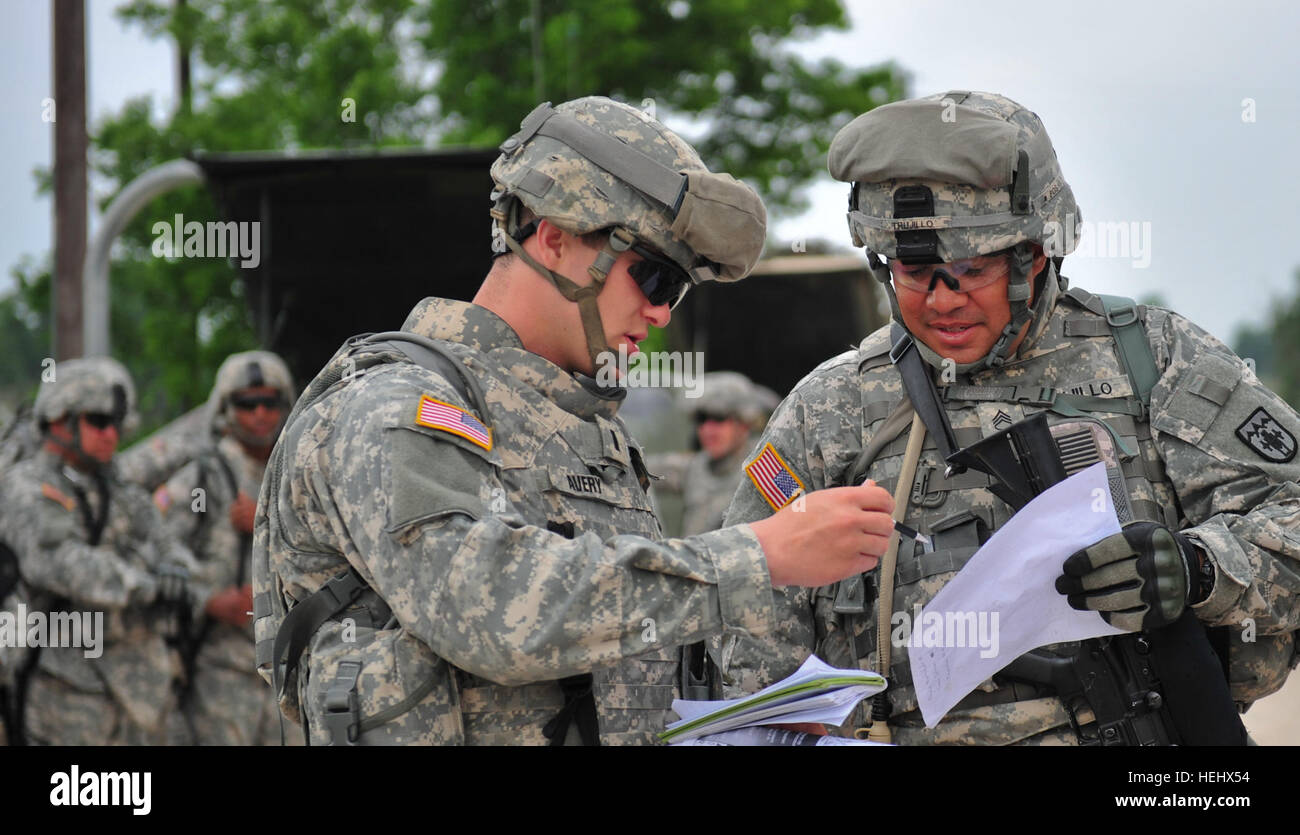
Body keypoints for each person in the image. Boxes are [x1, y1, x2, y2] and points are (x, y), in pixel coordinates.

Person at [253, 96, 897, 746]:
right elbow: (493, 608)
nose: (662, 313)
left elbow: (614, 647)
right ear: (554, 236)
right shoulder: (395, 405)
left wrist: (746, 716)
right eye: (653, 277)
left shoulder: (588, 432)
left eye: (676, 291)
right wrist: (759, 555)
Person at [720, 91, 1300, 744]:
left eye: (970, 268)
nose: (942, 298)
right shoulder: (833, 408)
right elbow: (744, 603)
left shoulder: (1156, 360)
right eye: (916, 270)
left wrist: (1197, 566)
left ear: (1036, 254)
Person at [0, 357, 201, 745]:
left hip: (135, 691)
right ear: (60, 421)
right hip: (63, 688)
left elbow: (169, 548)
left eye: (116, 424)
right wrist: (148, 586)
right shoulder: (25, 487)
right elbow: (58, 564)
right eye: (99, 421)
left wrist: (176, 572)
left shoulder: (117, 489)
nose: (112, 434)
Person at [154, 350, 295, 745]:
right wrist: (207, 599)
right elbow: (153, 555)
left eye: (271, 402)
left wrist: (268, 523)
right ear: (225, 407)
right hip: (221, 667)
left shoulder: (299, 471)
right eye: (248, 404)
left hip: (291, 669)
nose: (261, 414)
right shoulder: (204, 476)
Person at [649, 371, 778, 537]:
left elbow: (801, 508)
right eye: (701, 418)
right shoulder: (695, 467)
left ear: (745, 423)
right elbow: (636, 468)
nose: (708, 430)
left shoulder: (769, 468)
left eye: (719, 418)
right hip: (693, 560)